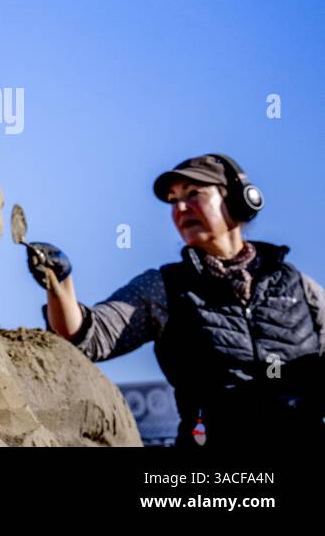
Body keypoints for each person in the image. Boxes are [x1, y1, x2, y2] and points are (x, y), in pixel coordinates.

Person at [27, 154, 325, 449]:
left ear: (237, 201)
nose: (180, 208)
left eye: (194, 194)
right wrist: (60, 282)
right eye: (173, 200)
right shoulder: (163, 287)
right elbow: (83, 336)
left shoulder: (299, 285)